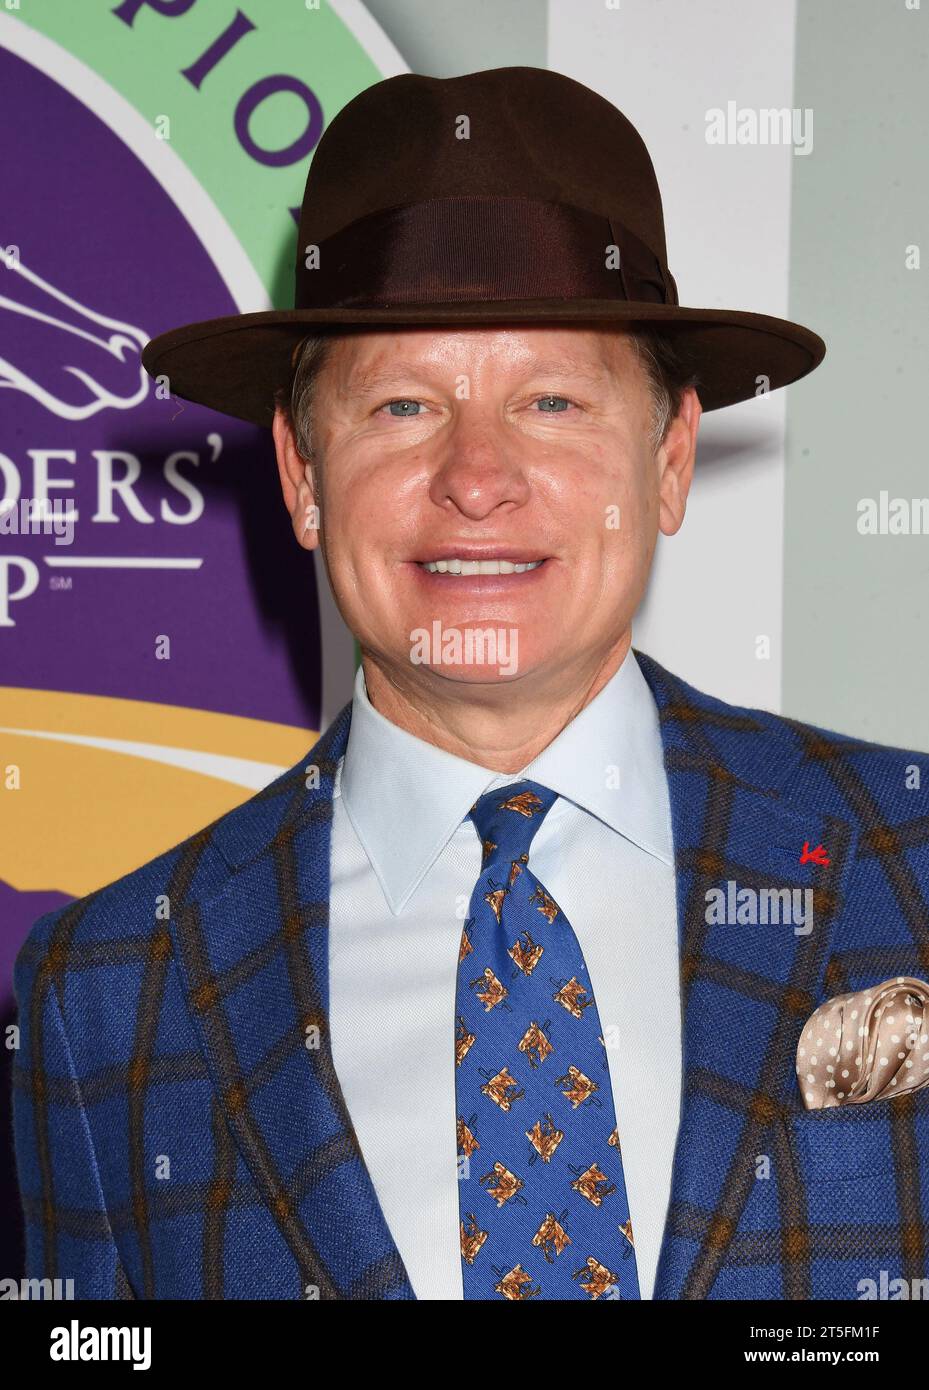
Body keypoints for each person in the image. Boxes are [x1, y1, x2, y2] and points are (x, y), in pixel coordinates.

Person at [13, 66, 929, 1302]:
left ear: (667, 458)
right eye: (400, 406)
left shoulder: (909, 857)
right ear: (299, 473)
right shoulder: (104, 995)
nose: (477, 475)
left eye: (550, 400)